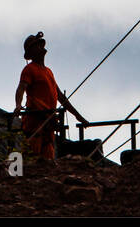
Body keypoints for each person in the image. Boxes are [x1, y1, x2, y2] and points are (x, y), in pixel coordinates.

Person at [13, 32, 86, 160]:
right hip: (35, 121)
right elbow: (21, 88)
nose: (41, 47)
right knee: (33, 156)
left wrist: (78, 115)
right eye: (37, 45)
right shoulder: (29, 69)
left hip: (48, 122)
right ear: (32, 51)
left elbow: (61, 98)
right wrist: (18, 105)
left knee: (48, 157)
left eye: (40, 44)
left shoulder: (49, 72)